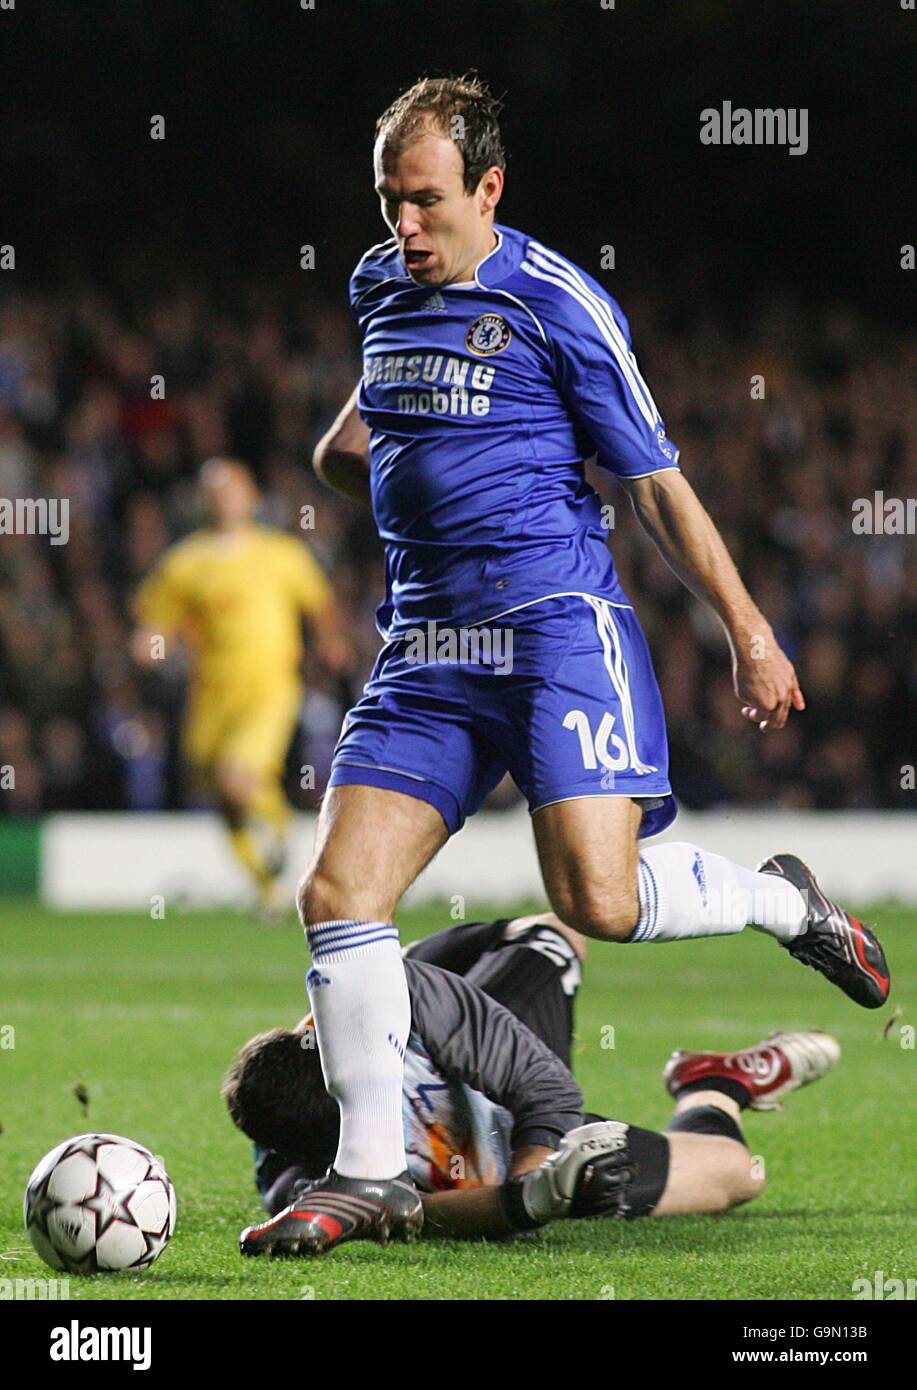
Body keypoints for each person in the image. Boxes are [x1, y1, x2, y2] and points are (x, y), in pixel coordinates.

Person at [290, 73, 889, 1250]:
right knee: (336, 896)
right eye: (384, 202)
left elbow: (652, 486)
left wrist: (747, 630)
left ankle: (781, 899)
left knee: (598, 901)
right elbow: (351, 441)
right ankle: (366, 1172)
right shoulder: (378, 285)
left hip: (557, 630)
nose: (401, 227)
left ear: (487, 187)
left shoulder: (560, 302)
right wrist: (399, 487)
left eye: (422, 201)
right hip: (427, 645)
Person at [226, 915, 840, 1253]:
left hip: (506, 1072)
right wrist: (538, 1196)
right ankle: (712, 1084)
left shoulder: (394, 1001)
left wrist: (535, 1166)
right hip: (499, 1156)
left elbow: (547, 1092)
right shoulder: (298, 1184)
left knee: (558, 933)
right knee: (739, 1174)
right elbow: (418, 1215)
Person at [133, 457, 349, 914]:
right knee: (221, 799)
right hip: (210, 695)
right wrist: (149, 645)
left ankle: (280, 829)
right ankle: (268, 888)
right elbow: (158, 621)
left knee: (236, 781)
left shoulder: (282, 553)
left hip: (269, 689)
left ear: (251, 495)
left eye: (232, 487)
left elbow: (320, 604)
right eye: (215, 490)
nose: (224, 497)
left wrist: (330, 643)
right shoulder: (186, 561)